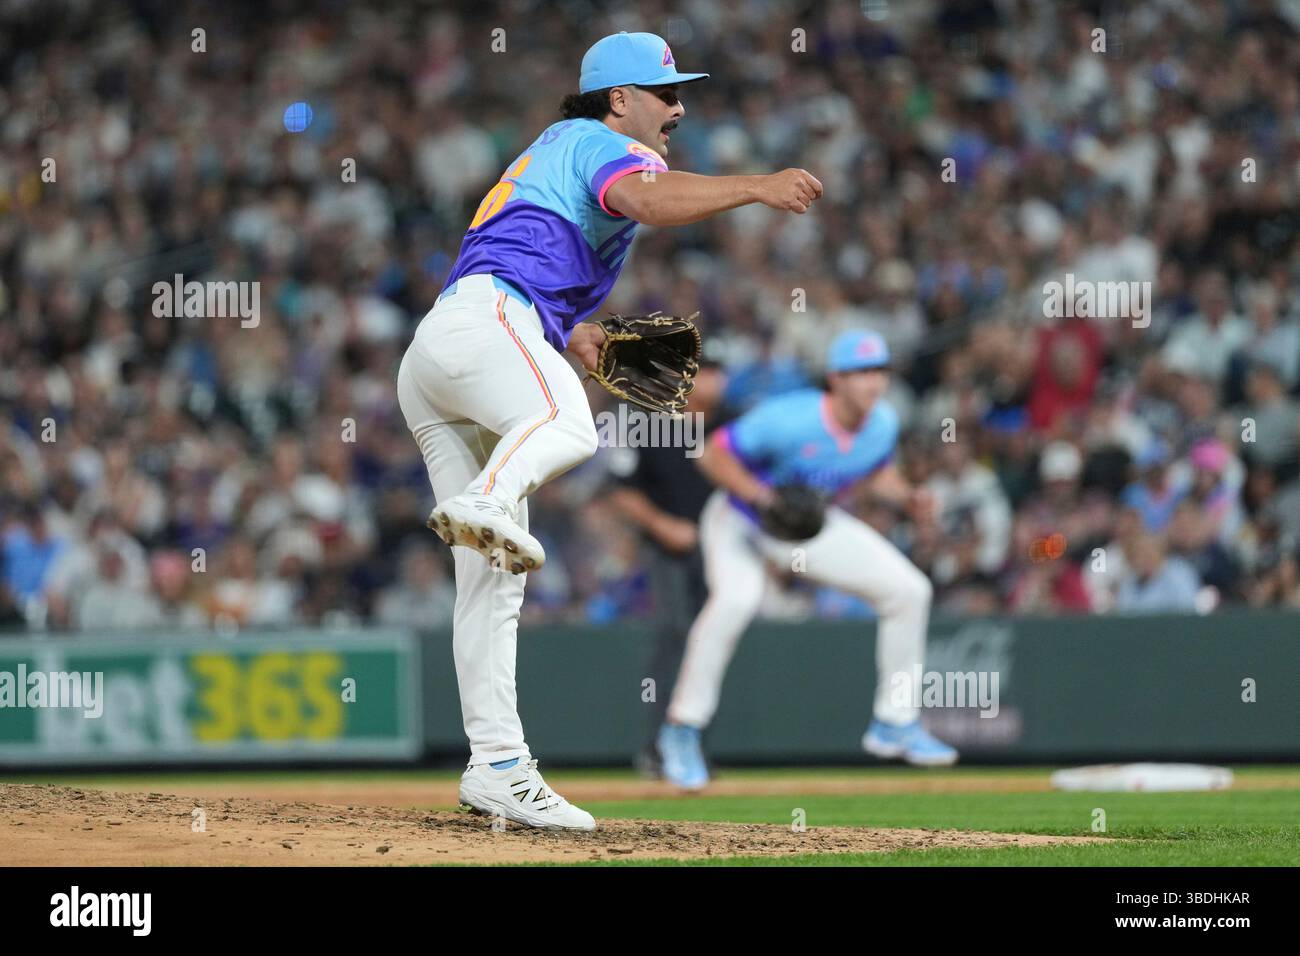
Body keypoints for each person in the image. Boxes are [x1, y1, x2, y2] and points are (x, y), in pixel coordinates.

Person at [395, 31, 823, 829]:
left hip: (446, 348)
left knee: (490, 583)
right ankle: (491, 495)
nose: (679, 106)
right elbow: (648, 201)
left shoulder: (560, 152)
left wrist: (576, 335)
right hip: (489, 319)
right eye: (665, 93)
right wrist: (757, 186)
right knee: (566, 424)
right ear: (620, 99)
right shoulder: (597, 141)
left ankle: (496, 765)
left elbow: (538, 256)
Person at [657, 330, 957, 791]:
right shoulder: (790, 418)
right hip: (739, 520)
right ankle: (681, 729)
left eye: (879, 371)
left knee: (909, 590)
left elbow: (875, 473)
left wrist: (907, 497)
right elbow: (712, 455)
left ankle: (894, 723)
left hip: (808, 528)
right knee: (736, 601)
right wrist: (762, 497)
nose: (873, 383)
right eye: (861, 372)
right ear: (835, 378)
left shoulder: (882, 425)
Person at [605, 353, 729, 778]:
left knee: (710, 640)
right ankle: (657, 747)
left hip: (722, 551)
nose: (710, 381)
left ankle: (693, 746)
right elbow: (622, 491)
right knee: (674, 633)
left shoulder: (732, 425)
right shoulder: (649, 422)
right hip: (670, 550)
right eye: (701, 372)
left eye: (715, 372)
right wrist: (663, 526)